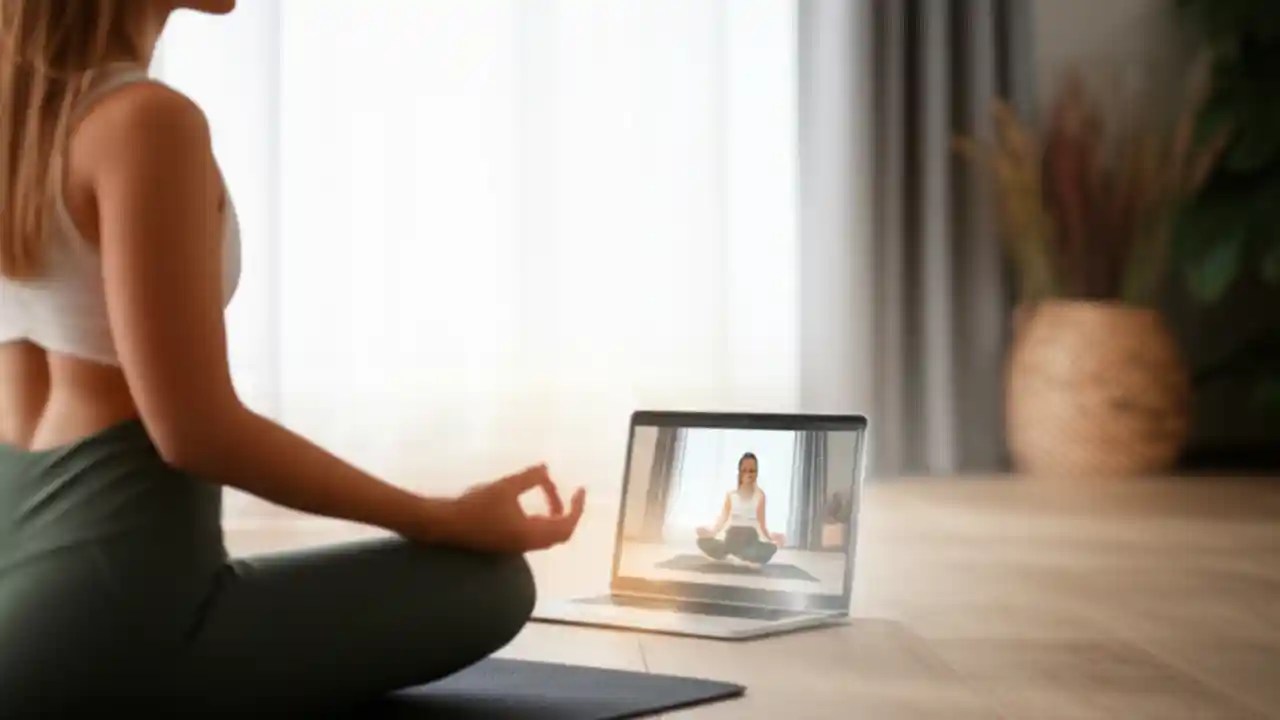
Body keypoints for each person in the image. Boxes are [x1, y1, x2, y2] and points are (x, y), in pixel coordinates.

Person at [0, 1, 585, 713]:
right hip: (106, 628)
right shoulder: (145, 122)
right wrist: (439, 517)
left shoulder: (21, 121)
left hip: (21, 588)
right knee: (494, 583)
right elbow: (194, 432)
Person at [695, 452, 785, 567]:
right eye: (745, 470)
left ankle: (737, 556)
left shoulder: (760, 495)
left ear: (756, 473)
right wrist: (710, 532)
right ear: (740, 472)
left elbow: (762, 526)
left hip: (750, 540)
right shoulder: (731, 495)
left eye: (752, 471)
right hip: (732, 539)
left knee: (769, 549)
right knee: (702, 542)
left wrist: (773, 539)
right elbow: (722, 521)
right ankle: (735, 555)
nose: (748, 474)